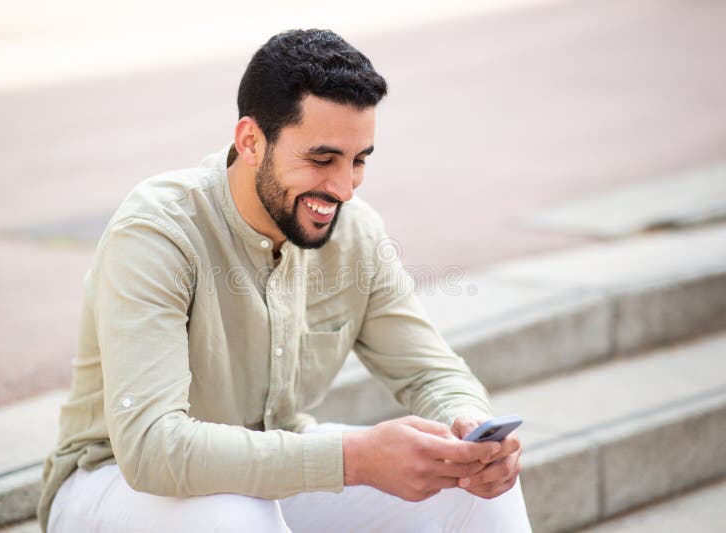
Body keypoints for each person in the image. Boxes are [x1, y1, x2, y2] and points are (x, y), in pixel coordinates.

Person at [38, 29, 532, 532]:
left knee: (474, 494)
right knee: (235, 513)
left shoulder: (355, 234)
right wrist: (353, 457)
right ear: (250, 141)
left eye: (357, 161)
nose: (342, 189)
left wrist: (471, 429)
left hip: (272, 478)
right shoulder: (156, 234)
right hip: (114, 485)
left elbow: (430, 372)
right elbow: (151, 449)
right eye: (321, 160)